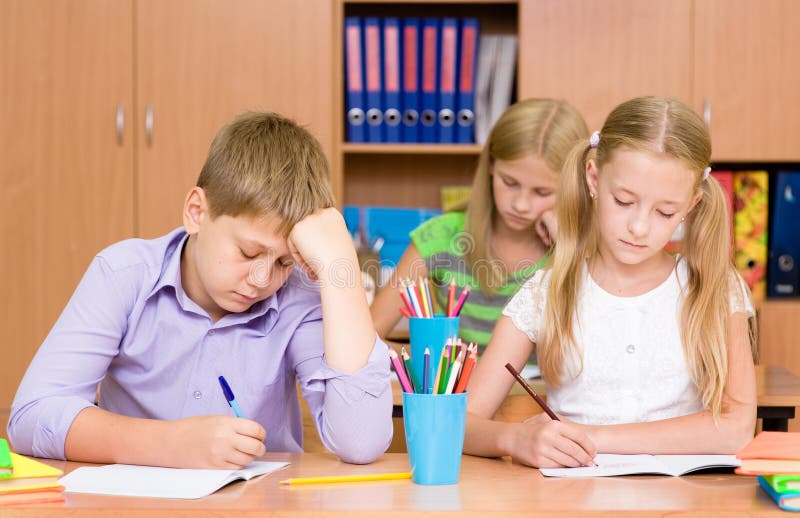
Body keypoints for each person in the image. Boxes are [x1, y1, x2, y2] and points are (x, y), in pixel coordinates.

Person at [8, 112, 393, 468]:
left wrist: (340, 264)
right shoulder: (124, 275)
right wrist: (170, 444)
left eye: (283, 263)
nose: (262, 279)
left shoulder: (296, 298)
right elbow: (31, 416)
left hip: (260, 503)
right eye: (248, 252)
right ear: (197, 212)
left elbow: (361, 443)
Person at [464, 96, 757, 468]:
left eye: (665, 212)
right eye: (623, 201)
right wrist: (514, 438)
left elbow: (736, 429)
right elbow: (461, 424)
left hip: (686, 495)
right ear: (593, 178)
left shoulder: (716, 288)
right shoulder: (546, 292)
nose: (639, 227)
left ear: (691, 206)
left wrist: (593, 438)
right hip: (571, 495)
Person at [370, 99, 589, 348]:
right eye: (510, 182)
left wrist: (568, 243)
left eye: (542, 192)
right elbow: (366, 338)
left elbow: (595, 346)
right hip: (459, 374)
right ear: (492, 165)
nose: (521, 204)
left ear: (572, 185)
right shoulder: (441, 236)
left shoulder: (584, 250)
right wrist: (430, 358)